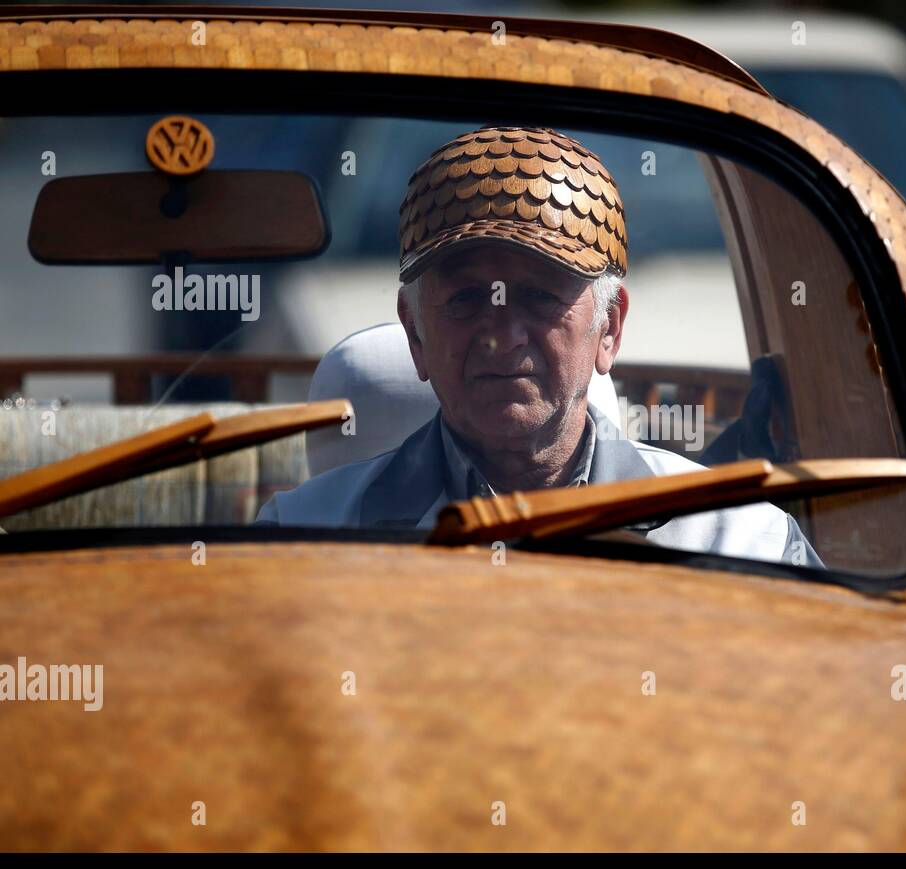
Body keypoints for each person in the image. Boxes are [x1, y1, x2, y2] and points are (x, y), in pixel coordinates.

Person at [257, 126, 821, 567]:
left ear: (610, 328)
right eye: (467, 299)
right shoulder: (299, 539)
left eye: (539, 297)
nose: (502, 334)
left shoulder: (740, 539)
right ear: (415, 335)